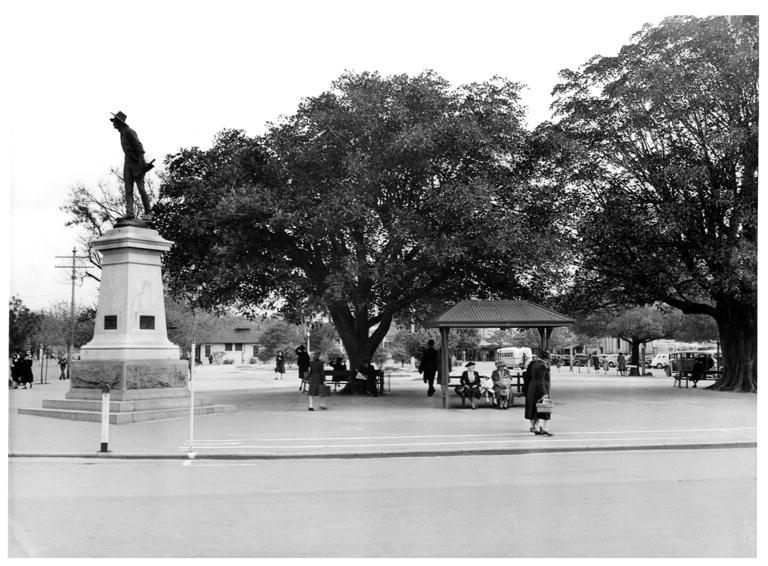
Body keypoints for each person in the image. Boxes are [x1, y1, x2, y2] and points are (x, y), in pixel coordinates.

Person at [110, 111, 154, 219]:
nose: (113, 123)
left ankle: (149, 213)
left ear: (119, 122)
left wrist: (142, 163)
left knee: (140, 188)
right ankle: (129, 212)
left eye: (114, 121)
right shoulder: (122, 133)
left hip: (137, 163)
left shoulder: (129, 132)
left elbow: (139, 146)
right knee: (128, 188)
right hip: (128, 162)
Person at [524, 351, 552, 436]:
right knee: (545, 408)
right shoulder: (542, 366)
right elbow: (542, 380)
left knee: (534, 408)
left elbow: (526, 378)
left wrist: (526, 389)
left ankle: (535, 427)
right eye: (548, 359)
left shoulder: (532, 364)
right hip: (540, 388)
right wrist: (545, 392)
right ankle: (545, 428)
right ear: (545, 359)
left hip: (532, 388)